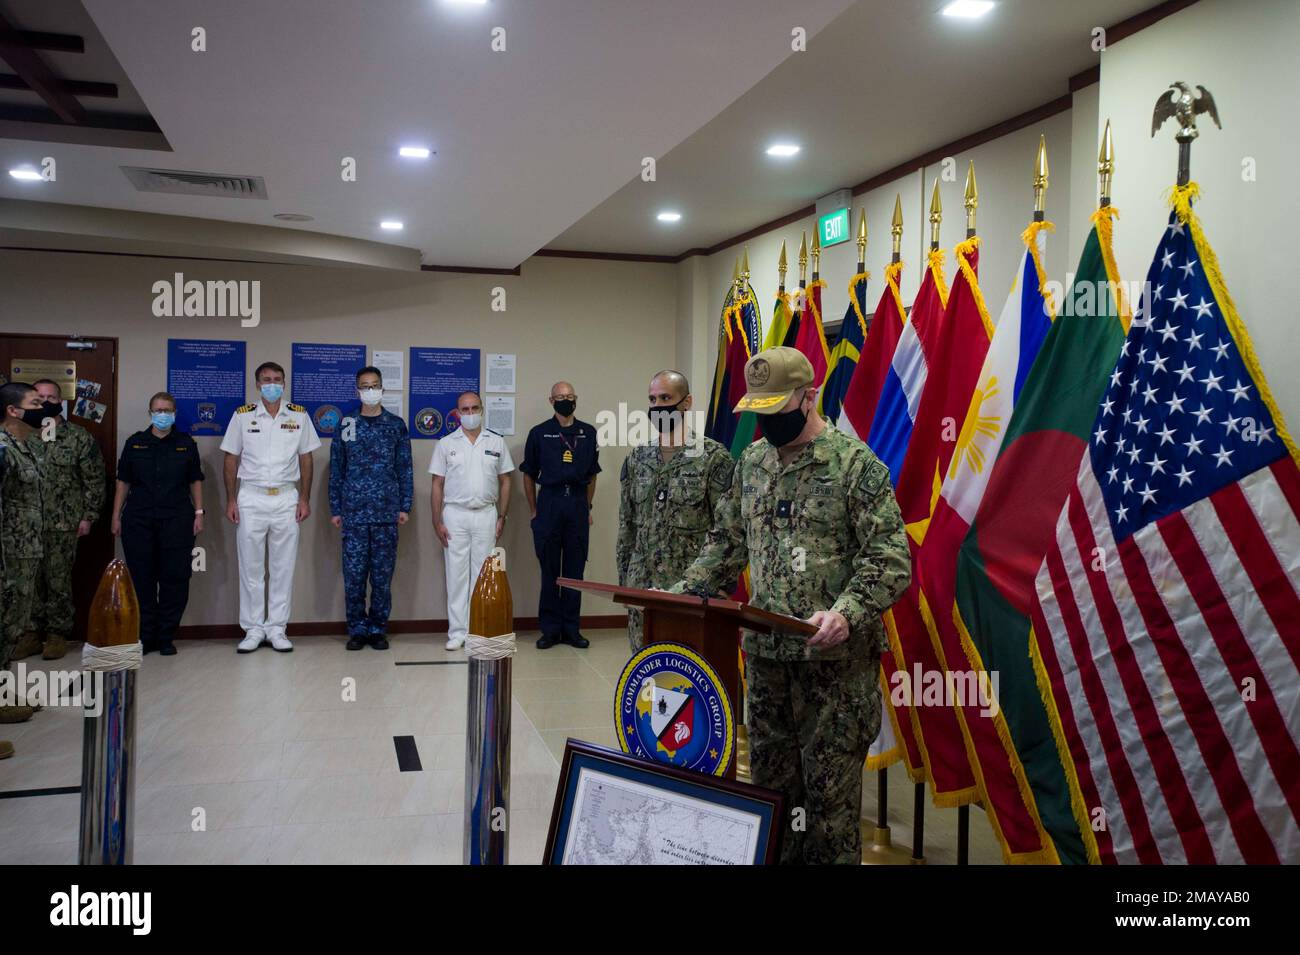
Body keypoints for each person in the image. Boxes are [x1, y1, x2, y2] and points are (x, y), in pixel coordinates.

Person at [670, 347, 911, 865]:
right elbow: (726, 543)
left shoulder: (855, 467)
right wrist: (680, 594)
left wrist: (845, 611)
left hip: (833, 672)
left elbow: (890, 559)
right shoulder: (752, 463)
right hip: (765, 662)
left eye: (777, 410)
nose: (766, 422)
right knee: (773, 800)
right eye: (758, 411)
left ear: (810, 396)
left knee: (828, 811)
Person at [616, 370, 733, 651]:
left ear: (687, 402)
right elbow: (627, 524)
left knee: (687, 678)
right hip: (642, 588)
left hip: (690, 590)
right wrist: (625, 582)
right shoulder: (638, 457)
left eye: (666, 398)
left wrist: (722, 587)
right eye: (652, 399)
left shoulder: (713, 458)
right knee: (645, 673)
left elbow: (728, 529)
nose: (657, 406)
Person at [220, 361, 321, 653]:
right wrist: (231, 498)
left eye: (277, 379)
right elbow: (230, 458)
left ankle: (277, 628)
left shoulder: (299, 416)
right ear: (257, 384)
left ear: (284, 383)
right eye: (266, 379)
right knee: (251, 567)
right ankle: (253, 629)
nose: (272, 384)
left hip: (287, 497)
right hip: (250, 496)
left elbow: (307, 458)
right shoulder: (242, 416)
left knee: (282, 566)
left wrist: (305, 498)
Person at [15, 379, 105, 661]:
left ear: (60, 400)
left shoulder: (78, 437)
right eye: (38, 398)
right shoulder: (18, 435)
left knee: (57, 580)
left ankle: (57, 634)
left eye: (51, 397)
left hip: (63, 523)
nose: (45, 402)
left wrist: (88, 516)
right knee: (27, 581)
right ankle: (30, 633)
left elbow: (95, 480)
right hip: (23, 525)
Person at [111, 392, 204, 655]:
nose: (162, 414)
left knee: (176, 579)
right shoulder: (135, 443)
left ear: (174, 412)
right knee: (142, 580)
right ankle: (145, 636)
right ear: (150, 412)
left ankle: (166, 636)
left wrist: (199, 513)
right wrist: (115, 516)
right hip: (139, 519)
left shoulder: (186, 444)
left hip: (177, 519)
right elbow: (123, 481)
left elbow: (195, 480)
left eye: (167, 410)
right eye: (157, 410)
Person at [328, 367, 412, 651]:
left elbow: (405, 468)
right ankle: (357, 629)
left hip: (386, 513)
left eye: (375, 385)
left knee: (382, 578)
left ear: (382, 389)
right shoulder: (346, 423)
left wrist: (405, 505)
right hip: (353, 513)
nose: (370, 390)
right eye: (365, 386)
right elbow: (337, 469)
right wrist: (336, 508)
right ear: (357, 391)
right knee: (353, 577)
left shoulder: (396, 425)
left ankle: (377, 629)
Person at [430, 391, 513, 651]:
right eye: (464, 410)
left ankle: (479, 630)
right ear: (457, 413)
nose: (470, 414)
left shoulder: (496, 442)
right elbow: (437, 483)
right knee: (455, 575)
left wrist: (502, 515)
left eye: (474, 408)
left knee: (484, 575)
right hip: (455, 514)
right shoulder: (446, 443)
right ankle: (457, 632)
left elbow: (506, 480)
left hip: (487, 514)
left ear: (482, 409)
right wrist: (436, 521)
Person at [520, 381, 600, 649]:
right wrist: (534, 510)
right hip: (549, 504)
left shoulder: (588, 433)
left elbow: (592, 476)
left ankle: (572, 629)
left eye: (569, 396)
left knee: (575, 573)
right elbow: (528, 475)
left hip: (577, 504)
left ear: (576, 399)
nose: (565, 400)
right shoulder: (539, 433)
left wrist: (587, 508)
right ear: (551, 400)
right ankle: (550, 630)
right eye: (560, 397)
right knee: (550, 572)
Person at [0, 382, 48, 755]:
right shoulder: (2, 449)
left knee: (12, 627)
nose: (43, 407)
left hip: (25, 552)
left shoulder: (24, 446)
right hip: (7, 554)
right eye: (35, 403)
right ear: (14, 411)